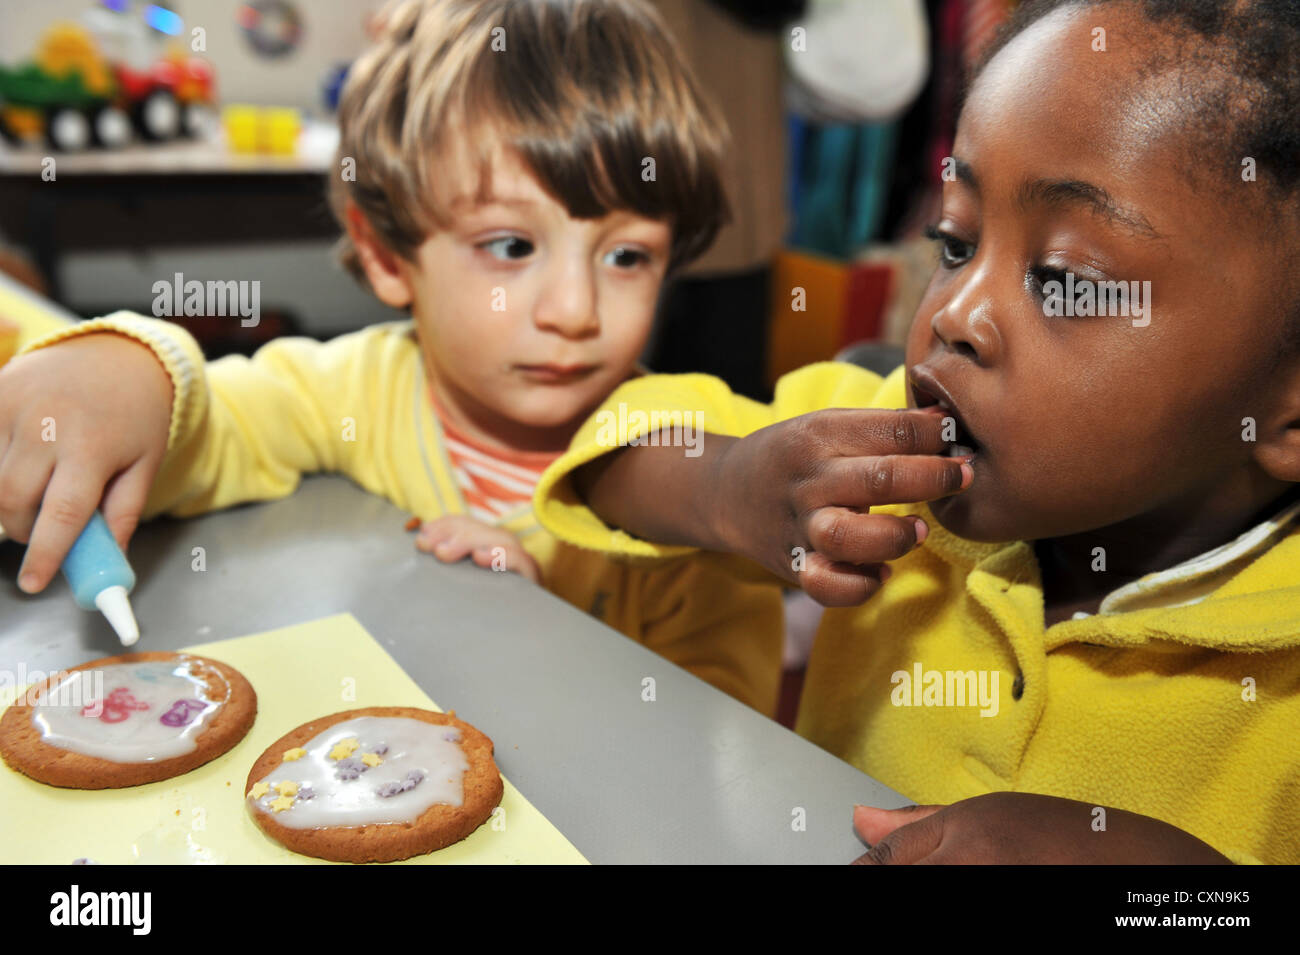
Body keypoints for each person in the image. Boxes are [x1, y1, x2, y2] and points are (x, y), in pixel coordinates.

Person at [532, 0, 1300, 862]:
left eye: (1065, 280)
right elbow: (618, 445)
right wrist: (730, 485)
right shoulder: (882, 446)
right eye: (956, 241)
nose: (957, 313)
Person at [0, 0, 783, 715]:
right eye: (511, 246)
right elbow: (208, 431)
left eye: (626, 257)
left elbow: (715, 749)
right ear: (387, 256)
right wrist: (130, 365)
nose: (574, 310)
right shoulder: (361, 388)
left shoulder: (698, 473)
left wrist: (547, 644)